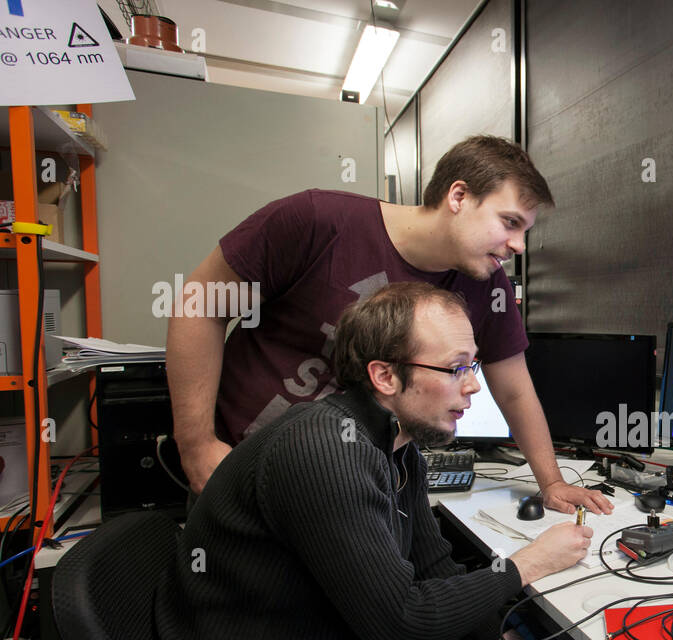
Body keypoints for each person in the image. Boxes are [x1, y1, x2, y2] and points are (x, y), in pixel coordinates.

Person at [156, 282, 598, 640]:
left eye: (473, 366)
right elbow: (401, 622)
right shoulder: (324, 451)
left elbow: (433, 567)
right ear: (385, 376)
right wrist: (526, 564)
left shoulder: (395, 444)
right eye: (456, 368)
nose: (474, 385)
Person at [166, 134, 611, 518]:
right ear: (458, 197)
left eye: (526, 231)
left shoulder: (486, 284)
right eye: (510, 222)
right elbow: (199, 305)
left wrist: (551, 483)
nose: (517, 244)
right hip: (243, 467)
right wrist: (197, 445)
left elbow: (513, 387)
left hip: (353, 483)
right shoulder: (318, 220)